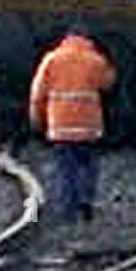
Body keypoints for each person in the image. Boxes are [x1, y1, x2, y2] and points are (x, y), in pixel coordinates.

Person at [28, 27, 117, 223]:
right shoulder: (95, 60)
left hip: (61, 126)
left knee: (66, 169)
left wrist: (36, 120)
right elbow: (109, 83)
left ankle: (67, 210)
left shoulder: (51, 59)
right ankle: (86, 202)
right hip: (88, 126)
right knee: (89, 165)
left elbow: (38, 93)